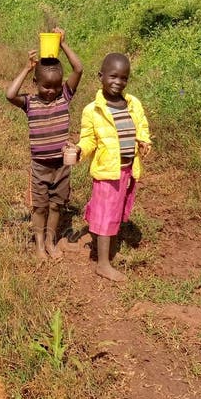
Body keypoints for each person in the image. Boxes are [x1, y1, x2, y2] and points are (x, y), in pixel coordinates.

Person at [6, 28, 83, 260]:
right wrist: (27, 67)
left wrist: (63, 45)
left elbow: (78, 69)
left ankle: (50, 241)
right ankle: (39, 244)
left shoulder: (64, 97)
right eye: (45, 86)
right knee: (39, 207)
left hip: (61, 166)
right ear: (35, 82)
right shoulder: (29, 102)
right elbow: (10, 95)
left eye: (56, 86)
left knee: (57, 206)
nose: (51, 91)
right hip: (40, 167)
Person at [78, 53, 151, 282]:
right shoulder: (93, 110)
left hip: (127, 169)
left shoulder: (133, 104)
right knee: (106, 214)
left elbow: (142, 127)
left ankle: (106, 248)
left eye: (123, 78)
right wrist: (80, 150)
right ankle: (102, 263)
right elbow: (88, 139)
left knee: (115, 212)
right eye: (113, 76)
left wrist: (144, 141)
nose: (118, 82)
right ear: (101, 76)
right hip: (107, 171)